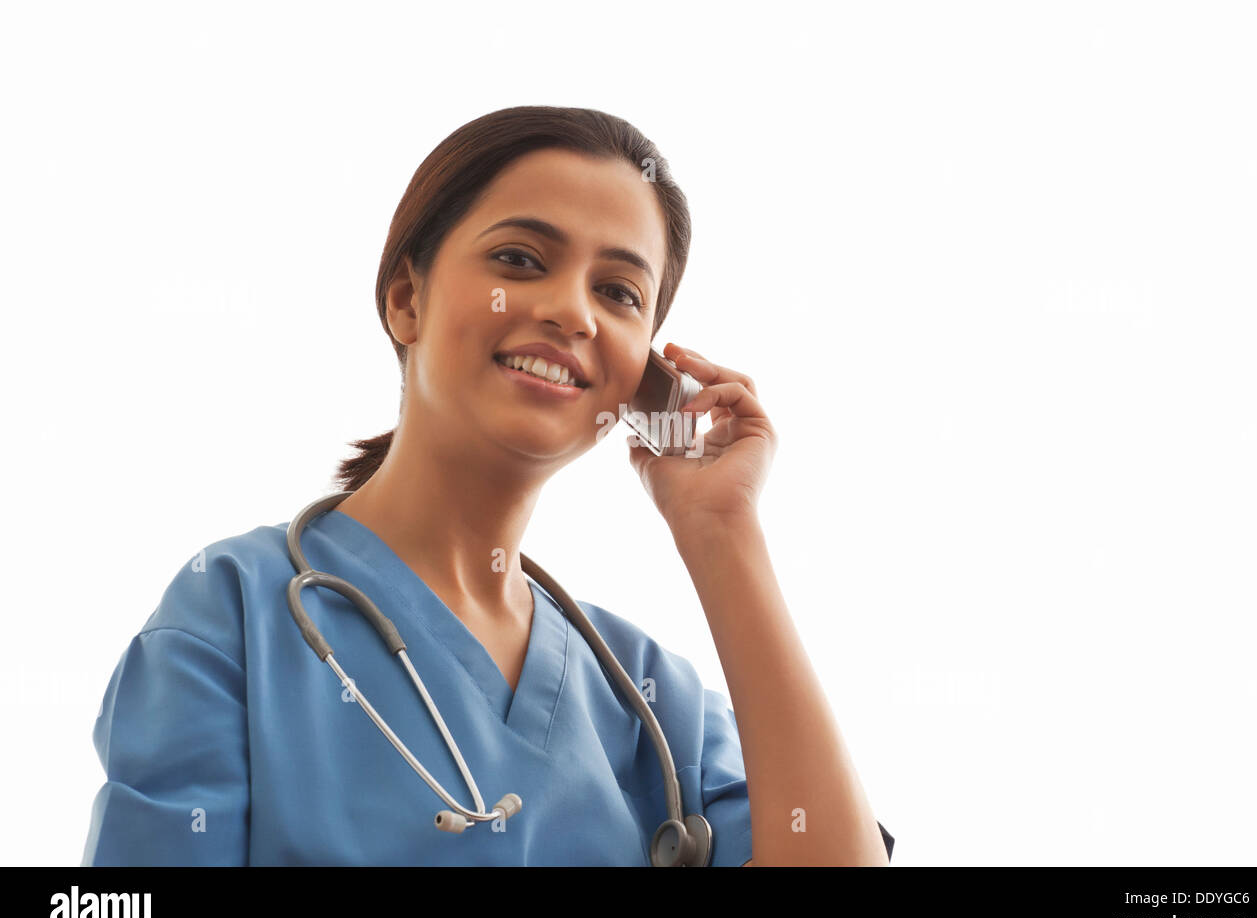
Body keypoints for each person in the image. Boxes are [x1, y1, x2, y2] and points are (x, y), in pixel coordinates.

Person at [82, 105, 894, 866]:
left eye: (618, 293)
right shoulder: (232, 612)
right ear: (407, 299)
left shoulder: (651, 700)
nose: (571, 312)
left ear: (647, 376)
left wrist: (723, 531)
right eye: (520, 260)